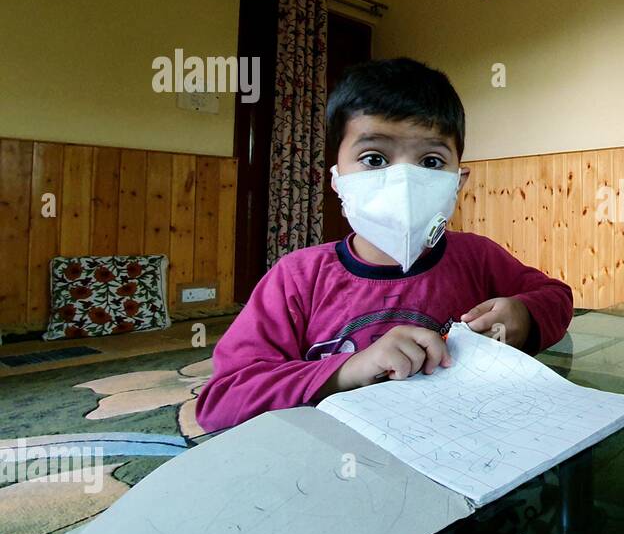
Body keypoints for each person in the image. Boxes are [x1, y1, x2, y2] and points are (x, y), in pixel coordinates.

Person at [196, 58, 574, 431]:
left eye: (430, 160)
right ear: (337, 179)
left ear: (458, 182)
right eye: (374, 158)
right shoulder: (297, 278)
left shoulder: (477, 256)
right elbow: (224, 398)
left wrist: (523, 315)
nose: (403, 181)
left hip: (461, 446)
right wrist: (347, 370)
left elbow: (556, 296)